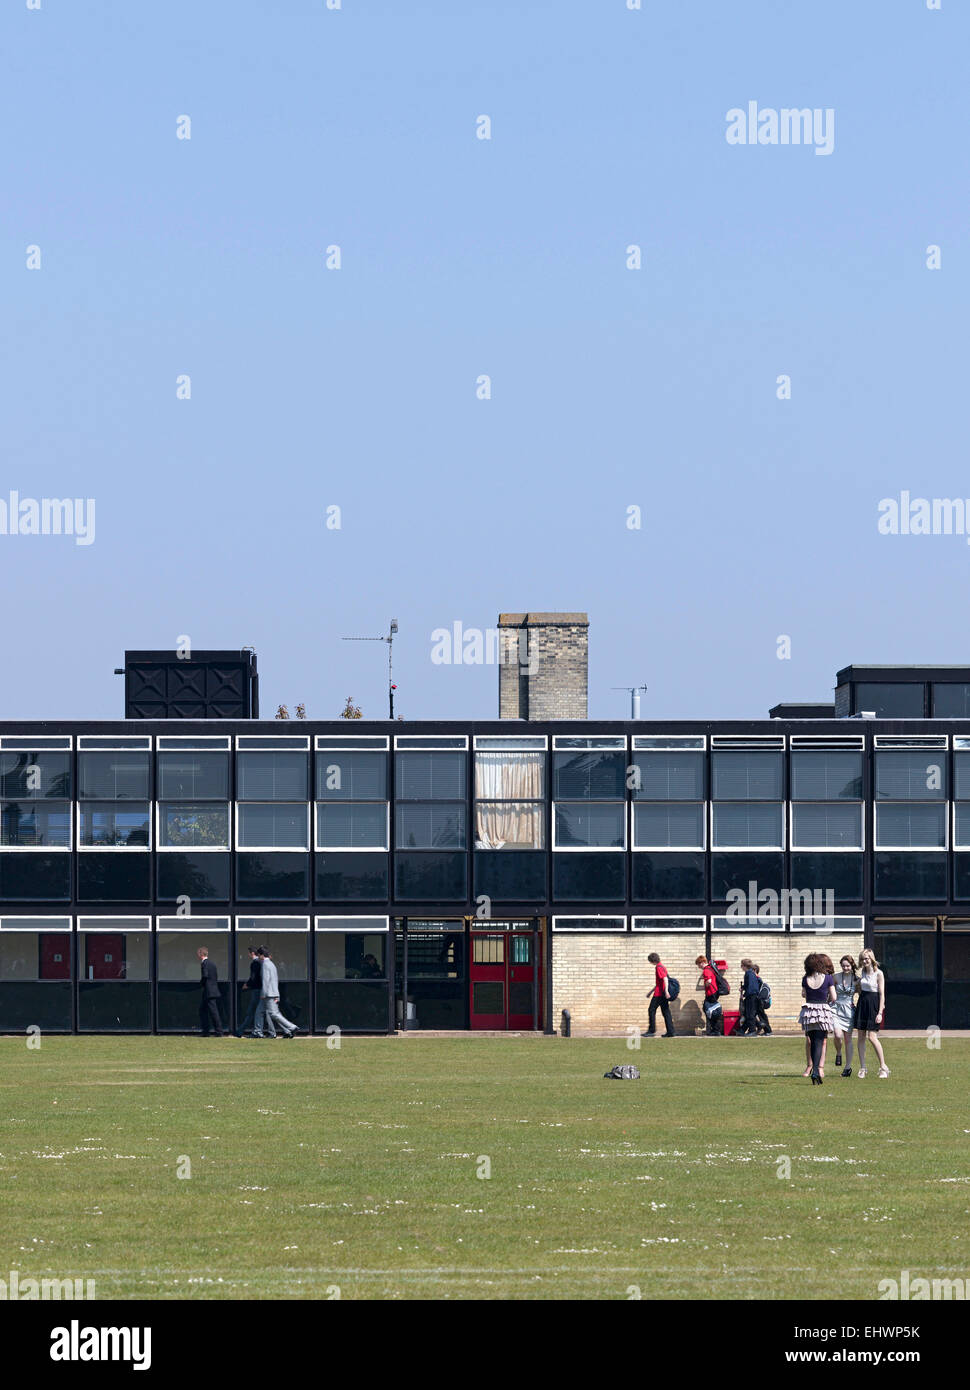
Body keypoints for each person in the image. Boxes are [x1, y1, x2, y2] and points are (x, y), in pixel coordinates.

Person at [799, 952, 836, 1085]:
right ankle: (816, 1071)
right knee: (820, 1041)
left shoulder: (805, 978)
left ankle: (813, 1069)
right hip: (822, 1011)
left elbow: (803, 994)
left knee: (812, 1040)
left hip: (809, 1011)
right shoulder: (828, 978)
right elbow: (834, 997)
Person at [855, 948, 890, 1079]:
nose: (864, 961)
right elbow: (859, 990)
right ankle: (863, 1068)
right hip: (862, 1004)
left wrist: (880, 1012)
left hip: (874, 1005)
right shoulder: (861, 973)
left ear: (871, 959)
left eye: (867, 958)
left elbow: (882, 994)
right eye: (863, 959)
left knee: (872, 1037)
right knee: (861, 1037)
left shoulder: (879, 973)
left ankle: (883, 1067)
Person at [258, 946, 301, 1039]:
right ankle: (287, 1031)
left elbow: (266, 980)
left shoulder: (265, 964)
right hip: (274, 992)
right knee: (274, 1013)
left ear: (261, 955)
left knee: (274, 1014)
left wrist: (263, 993)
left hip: (269, 993)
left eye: (259, 955)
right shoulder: (272, 964)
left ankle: (292, 1027)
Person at [832, 955, 858, 1077]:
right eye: (843, 966)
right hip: (835, 1009)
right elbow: (829, 992)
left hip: (849, 1010)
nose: (845, 968)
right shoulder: (836, 977)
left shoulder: (857, 979)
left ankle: (847, 1067)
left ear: (852, 965)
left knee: (848, 1039)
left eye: (847, 965)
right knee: (837, 1034)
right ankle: (838, 1052)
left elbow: (862, 993)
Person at [644, 952, 675, 1037]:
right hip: (661, 993)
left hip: (659, 994)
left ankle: (651, 1030)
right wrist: (650, 992)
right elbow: (659, 982)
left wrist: (666, 991)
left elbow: (665, 979)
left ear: (652, 960)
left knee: (651, 1010)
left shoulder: (658, 967)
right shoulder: (662, 966)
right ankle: (670, 1032)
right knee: (666, 1012)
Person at [234, 946, 262, 1037]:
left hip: (256, 990)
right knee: (261, 1011)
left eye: (249, 953)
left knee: (251, 1011)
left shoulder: (255, 963)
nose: (248, 955)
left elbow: (253, 977)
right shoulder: (261, 962)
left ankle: (240, 1031)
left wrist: (247, 985)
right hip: (260, 989)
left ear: (252, 953)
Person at [197, 947, 224, 1037]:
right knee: (205, 1010)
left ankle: (217, 1031)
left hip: (208, 991)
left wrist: (201, 983)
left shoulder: (204, 964)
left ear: (201, 954)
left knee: (212, 1011)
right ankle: (207, 1031)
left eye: (198, 954)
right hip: (213, 989)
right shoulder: (212, 964)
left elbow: (205, 975)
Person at [696, 955, 723, 1035]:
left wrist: (705, 985)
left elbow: (709, 981)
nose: (698, 966)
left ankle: (716, 1030)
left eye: (698, 964)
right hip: (713, 992)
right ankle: (715, 1030)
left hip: (711, 993)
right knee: (708, 1009)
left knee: (708, 1010)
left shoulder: (706, 970)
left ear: (702, 962)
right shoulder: (710, 969)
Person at [737, 957, 761, 1035]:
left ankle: (752, 1030)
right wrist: (743, 988)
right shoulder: (751, 973)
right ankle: (743, 1030)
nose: (741, 967)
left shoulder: (749, 973)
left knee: (750, 1014)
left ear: (744, 966)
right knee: (748, 1013)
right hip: (752, 995)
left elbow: (750, 986)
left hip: (751, 996)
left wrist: (745, 994)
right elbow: (748, 985)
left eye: (741, 966)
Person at [751, 963, 772, 1035]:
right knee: (756, 1015)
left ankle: (768, 1030)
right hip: (757, 1001)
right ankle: (763, 1028)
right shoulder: (755, 979)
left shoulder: (757, 979)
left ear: (755, 970)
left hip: (760, 1001)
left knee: (762, 1016)